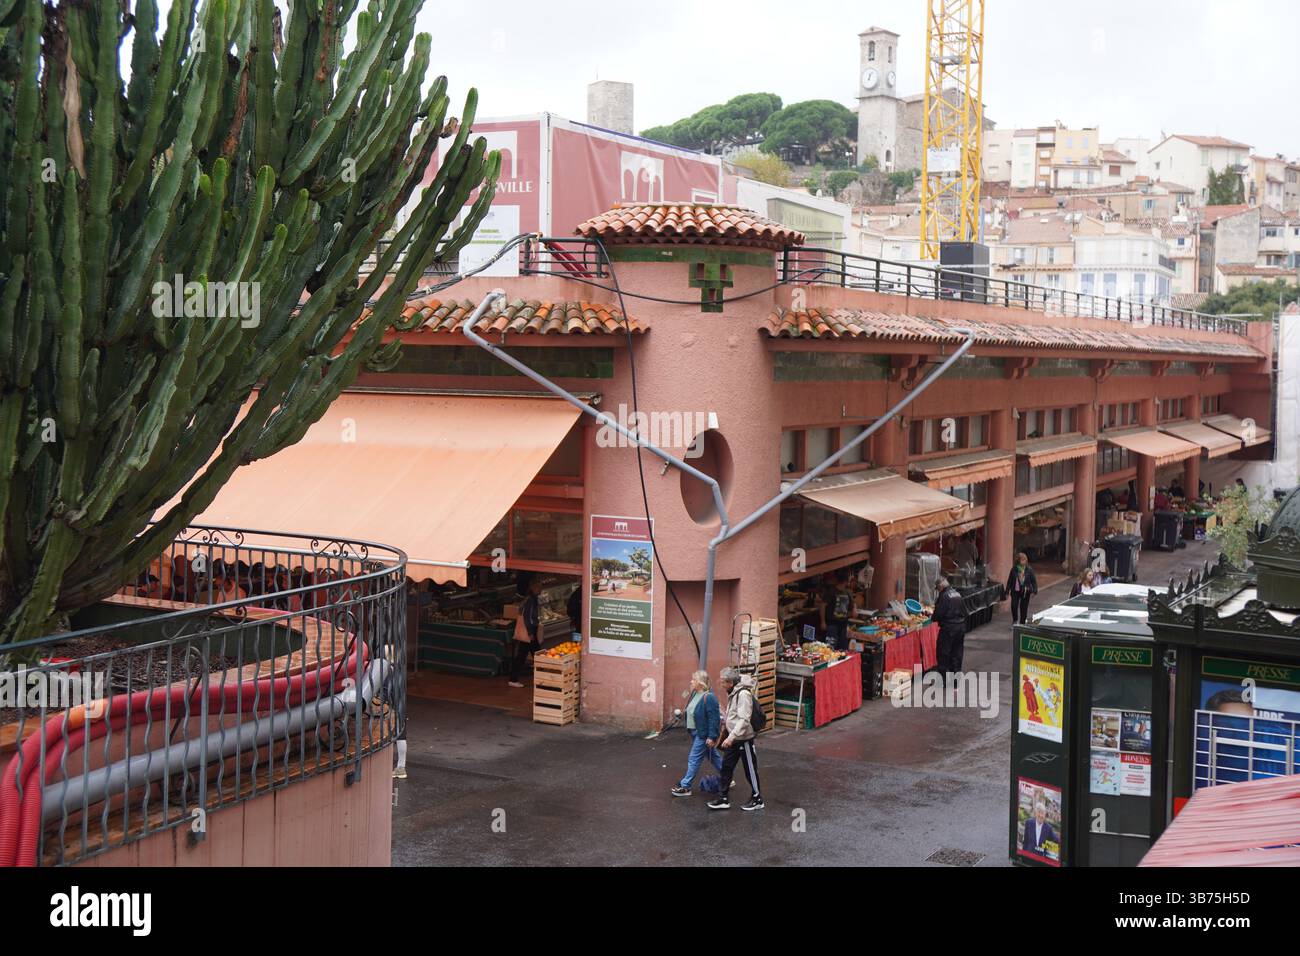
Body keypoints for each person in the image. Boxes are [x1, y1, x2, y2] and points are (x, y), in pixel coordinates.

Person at [708, 667, 764, 812]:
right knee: (726, 768)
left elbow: (744, 719)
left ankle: (757, 798)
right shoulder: (733, 692)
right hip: (733, 739)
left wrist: (731, 737)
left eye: (723, 682)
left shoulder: (743, 694)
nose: (721, 685)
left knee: (750, 770)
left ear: (731, 683)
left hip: (743, 739)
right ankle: (723, 798)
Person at [670, 670, 722, 797]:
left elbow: (714, 719)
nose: (691, 681)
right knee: (713, 756)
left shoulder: (709, 697)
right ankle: (727, 775)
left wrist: (711, 736)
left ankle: (685, 786)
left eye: (693, 680)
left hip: (702, 734)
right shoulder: (694, 694)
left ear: (700, 682)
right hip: (694, 732)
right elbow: (693, 710)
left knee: (694, 758)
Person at [507, 576, 542, 688]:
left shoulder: (530, 598)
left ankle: (541, 677)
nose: (541, 589)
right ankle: (513, 679)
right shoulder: (531, 600)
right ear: (534, 587)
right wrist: (531, 633)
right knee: (528, 655)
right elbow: (528, 617)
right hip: (529, 632)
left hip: (530, 631)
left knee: (535, 654)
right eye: (539, 587)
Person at [933, 576, 967, 678]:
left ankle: (942, 679)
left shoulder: (944, 596)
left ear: (940, 586)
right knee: (957, 653)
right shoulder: (957, 594)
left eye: (937, 588)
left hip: (948, 628)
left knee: (943, 653)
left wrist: (933, 617)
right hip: (960, 627)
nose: (938, 591)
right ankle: (955, 679)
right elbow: (965, 611)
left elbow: (939, 614)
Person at [1021, 790, 1058, 857]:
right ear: (1035, 813)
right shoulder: (1028, 823)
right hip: (1029, 855)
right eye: (1039, 812)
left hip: (1041, 858)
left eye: (1043, 813)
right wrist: (1024, 856)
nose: (1041, 815)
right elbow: (1025, 841)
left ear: (1045, 815)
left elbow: (1055, 840)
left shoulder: (1048, 828)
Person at [1006, 553, 1038, 625]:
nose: (1024, 561)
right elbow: (1009, 581)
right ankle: (1015, 620)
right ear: (1018, 561)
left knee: (1024, 608)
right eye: (1022, 560)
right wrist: (1007, 591)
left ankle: (1022, 623)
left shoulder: (1029, 569)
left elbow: (1033, 581)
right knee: (1014, 606)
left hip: (1025, 591)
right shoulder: (1014, 569)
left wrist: (1034, 591)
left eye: (1025, 560)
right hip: (1015, 590)